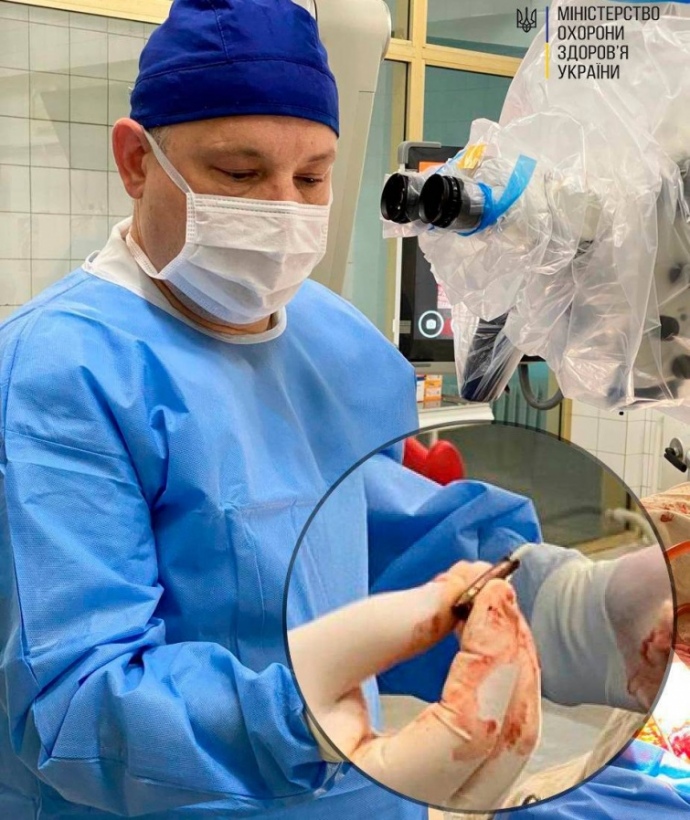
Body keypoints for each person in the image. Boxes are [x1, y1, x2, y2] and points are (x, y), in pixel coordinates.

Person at [0, 0, 673, 817]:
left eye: (312, 177)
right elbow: (74, 703)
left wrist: (590, 610)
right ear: (136, 161)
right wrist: (305, 715)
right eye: (239, 174)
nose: (281, 206)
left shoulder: (339, 343)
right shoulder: (60, 373)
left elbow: (400, 565)